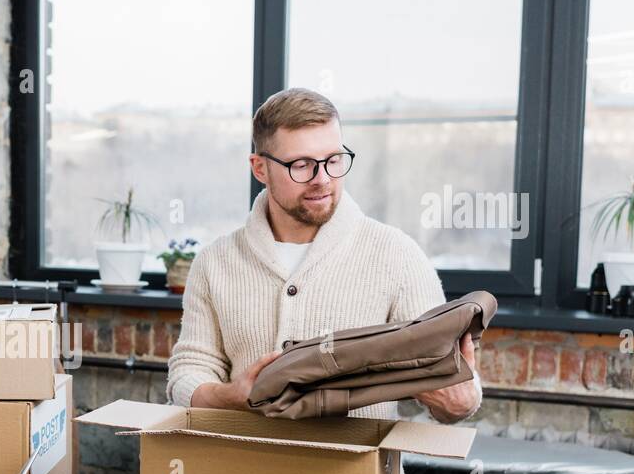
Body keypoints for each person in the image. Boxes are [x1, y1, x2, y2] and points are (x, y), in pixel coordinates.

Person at [167, 87, 481, 424]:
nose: (323, 180)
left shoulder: (397, 255)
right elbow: (189, 370)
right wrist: (229, 397)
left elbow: (453, 388)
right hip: (247, 470)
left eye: (333, 160)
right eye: (301, 165)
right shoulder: (215, 262)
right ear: (259, 168)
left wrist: (460, 398)